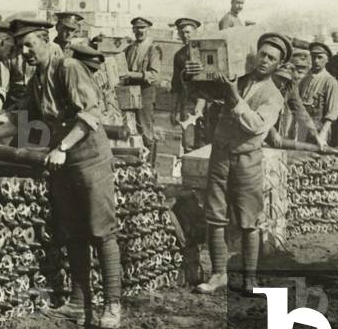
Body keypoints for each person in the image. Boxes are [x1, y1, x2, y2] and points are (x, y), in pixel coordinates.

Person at [0, 19, 122, 329]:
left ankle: (112, 305)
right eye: (20, 47)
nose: (24, 52)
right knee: (74, 231)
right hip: (62, 161)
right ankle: (80, 302)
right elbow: (23, 121)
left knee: (101, 230)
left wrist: (63, 147)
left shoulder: (68, 67)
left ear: (45, 40)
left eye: (30, 45)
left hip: (88, 158)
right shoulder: (36, 78)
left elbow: (90, 114)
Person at [186, 32, 289, 295]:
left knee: (248, 221)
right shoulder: (238, 78)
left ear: (278, 65)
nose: (264, 60)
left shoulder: (273, 96)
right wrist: (190, 75)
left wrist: (233, 95)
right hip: (221, 155)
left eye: (271, 58)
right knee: (215, 217)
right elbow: (203, 90)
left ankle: (249, 278)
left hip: (247, 160)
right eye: (262, 54)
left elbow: (254, 125)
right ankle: (218, 274)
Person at [122, 17, 162, 159]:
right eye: (137, 28)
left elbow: (153, 75)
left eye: (142, 28)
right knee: (129, 128)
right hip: (129, 92)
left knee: (145, 130)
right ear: (133, 30)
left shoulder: (153, 49)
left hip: (145, 92)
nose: (139, 31)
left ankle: (149, 166)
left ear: (148, 29)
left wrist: (130, 74)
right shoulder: (129, 49)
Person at [170, 18, 205, 153]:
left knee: (205, 142)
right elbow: (176, 85)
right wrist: (174, 110)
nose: (185, 35)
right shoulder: (179, 56)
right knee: (188, 143)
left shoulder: (205, 51)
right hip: (188, 102)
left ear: (196, 32)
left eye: (188, 32)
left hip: (207, 103)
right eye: (182, 33)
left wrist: (201, 104)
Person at [296, 42, 338, 147]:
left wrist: (322, 134)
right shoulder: (305, 79)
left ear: (327, 59)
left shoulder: (330, 81)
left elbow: (332, 112)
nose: (316, 60)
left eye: (320, 57)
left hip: (319, 129)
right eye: (313, 57)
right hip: (302, 129)